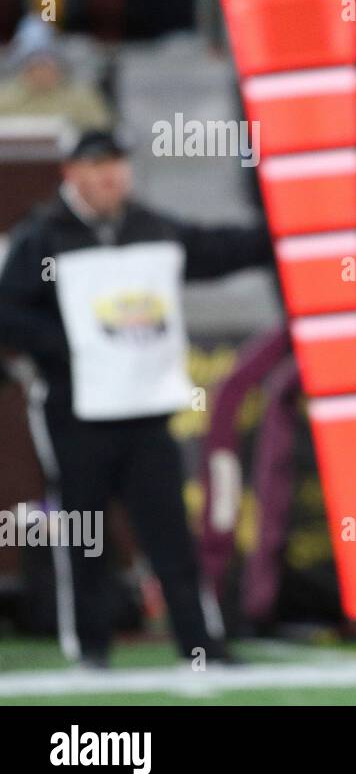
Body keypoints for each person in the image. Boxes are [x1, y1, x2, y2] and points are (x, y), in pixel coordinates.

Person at [0, 131, 272, 667]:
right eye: (98, 171)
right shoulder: (43, 238)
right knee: (87, 532)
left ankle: (200, 643)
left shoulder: (153, 226)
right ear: (71, 175)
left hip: (146, 406)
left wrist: (288, 223)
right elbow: (7, 312)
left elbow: (221, 249)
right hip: (76, 410)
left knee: (169, 531)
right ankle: (91, 648)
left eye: (118, 168)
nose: (111, 180)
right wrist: (70, 347)